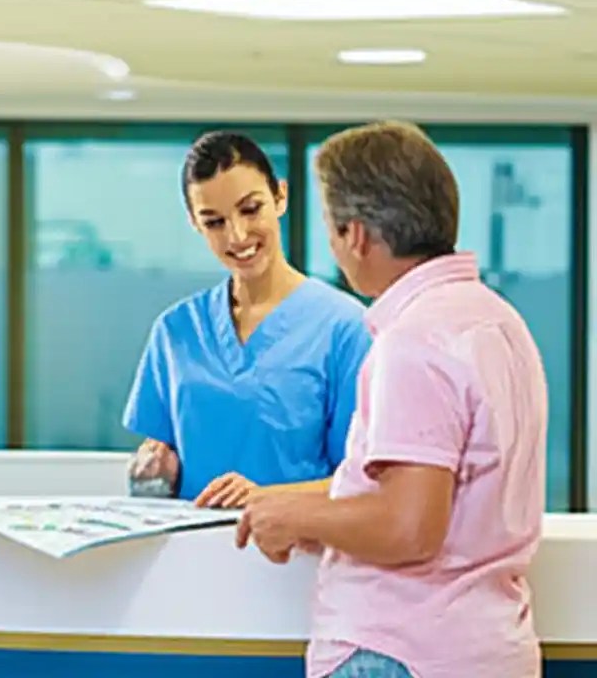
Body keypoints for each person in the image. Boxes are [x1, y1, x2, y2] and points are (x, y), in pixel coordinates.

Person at [237, 121, 548, 678]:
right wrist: (287, 503)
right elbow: (426, 488)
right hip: (489, 647)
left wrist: (294, 515)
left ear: (355, 234)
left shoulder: (415, 342)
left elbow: (409, 528)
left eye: (332, 231)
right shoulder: (497, 321)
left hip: (399, 652)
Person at [125, 131, 372, 508]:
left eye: (250, 209)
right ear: (195, 223)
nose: (237, 235)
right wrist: (151, 475)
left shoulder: (346, 328)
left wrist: (265, 498)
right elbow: (161, 471)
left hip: (295, 558)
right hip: (190, 557)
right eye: (214, 222)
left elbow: (360, 479)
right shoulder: (175, 332)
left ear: (281, 197)